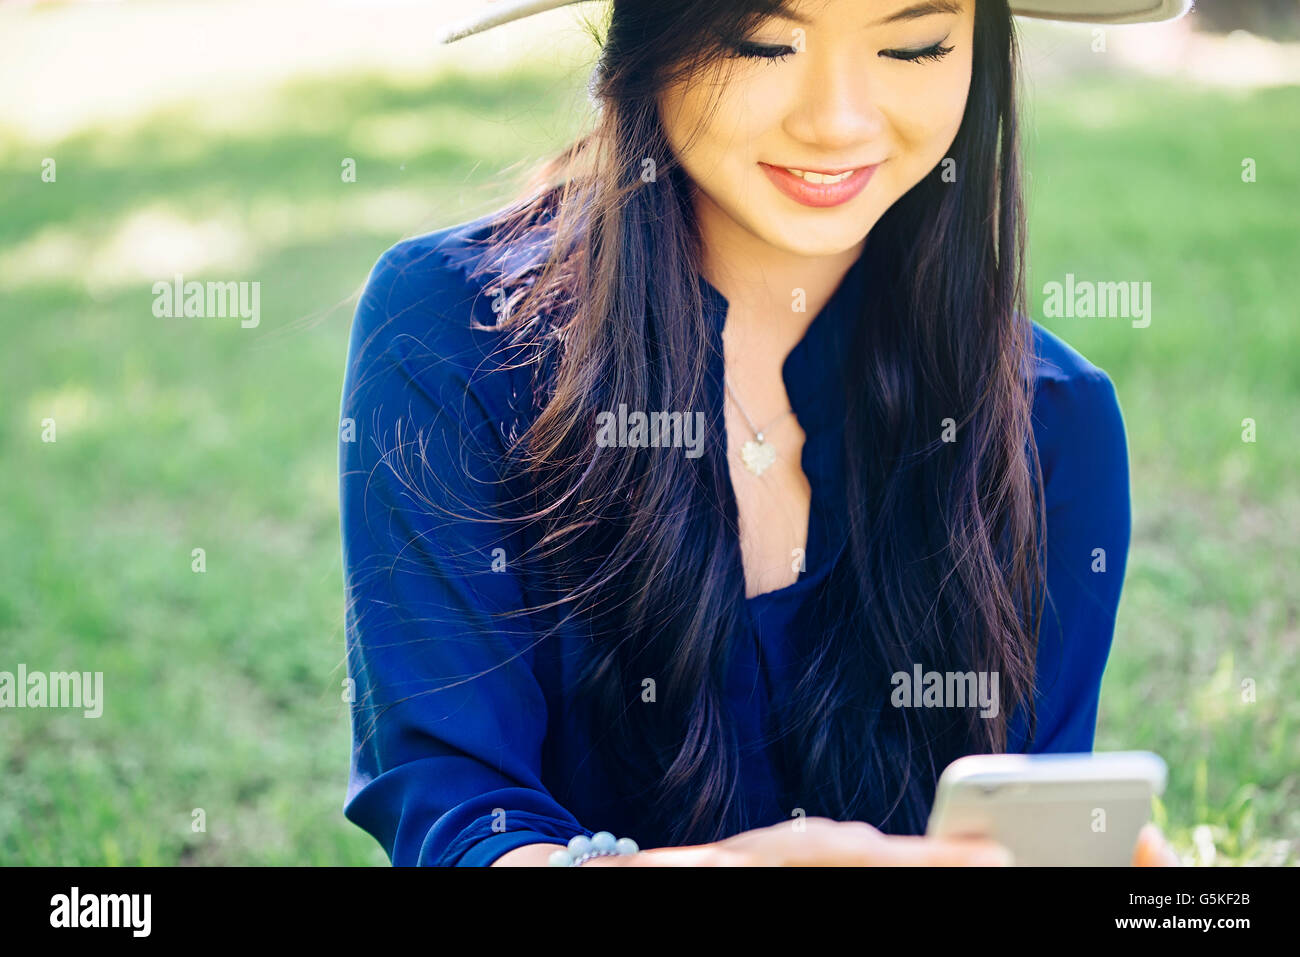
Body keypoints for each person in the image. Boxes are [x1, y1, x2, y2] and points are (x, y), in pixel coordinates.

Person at [338, 0, 1187, 866]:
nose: (836, 120)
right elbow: (456, 816)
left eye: (912, 45)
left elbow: (1031, 833)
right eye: (763, 42)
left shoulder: (1053, 425)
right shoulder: (453, 332)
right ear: (645, 40)